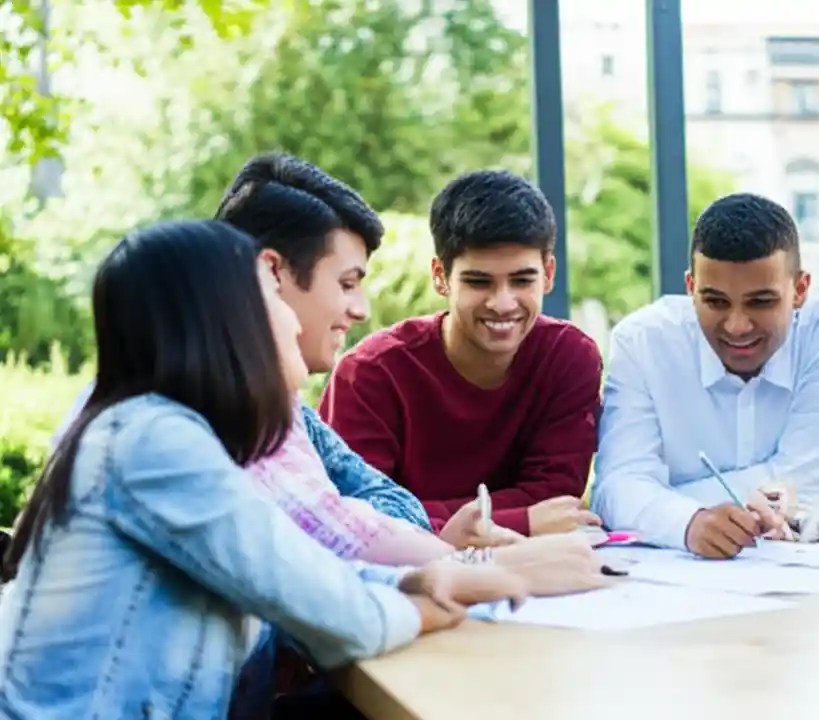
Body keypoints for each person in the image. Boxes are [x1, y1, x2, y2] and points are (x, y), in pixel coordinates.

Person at [0, 221, 526, 719]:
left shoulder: (170, 432)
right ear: (227, 319)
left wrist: (423, 580)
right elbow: (329, 608)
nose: (292, 318)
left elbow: (295, 569)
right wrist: (426, 606)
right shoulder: (152, 443)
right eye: (272, 296)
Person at [50, 153, 510, 551]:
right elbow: (340, 550)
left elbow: (385, 516)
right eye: (347, 284)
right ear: (270, 274)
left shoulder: (261, 402)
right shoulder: (195, 411)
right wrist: (464, 563)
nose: (361, 311)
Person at [591, 192, 819, 559]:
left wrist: (666, 506)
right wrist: (689, 523)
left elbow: (809, 480)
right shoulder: (643, 341)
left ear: (800, 290)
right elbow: (615, 487)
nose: (738, 326)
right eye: (716, 301)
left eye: (761, 302)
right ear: (691, 289)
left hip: (811, 570)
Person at [320, 170, 603, 537]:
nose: (503, 303)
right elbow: (360, 515)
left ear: (548, 274)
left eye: (522, 280)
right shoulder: (370, 375)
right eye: (478, 281)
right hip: (405, 574)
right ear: (440, 276)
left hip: (527, 566)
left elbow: (555, 498)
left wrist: (422, 517)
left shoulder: (568, 357)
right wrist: (519, 520)